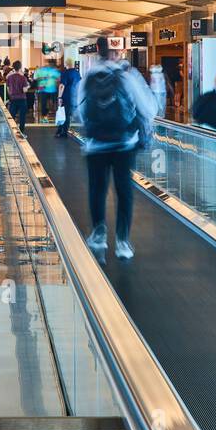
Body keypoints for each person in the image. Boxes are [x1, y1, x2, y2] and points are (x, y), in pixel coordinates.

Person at [78, 38, 157, 263]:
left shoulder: (88, 77)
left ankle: (99, 233)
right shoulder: (127, 75)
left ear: (98, 52)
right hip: (124, 143)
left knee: (97, 189)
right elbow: (149, 109)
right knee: (124, 191)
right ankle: (122, 241)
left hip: (95, 144)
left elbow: (80, 109)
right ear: (117, 53)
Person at [57, 59, 82, 138]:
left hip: (66, 96)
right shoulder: (77, 73)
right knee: (68, 114)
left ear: (66, 64)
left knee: (65, 115)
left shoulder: (65, 73)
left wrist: (59, 97)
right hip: (75, 96)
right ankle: (61, 130)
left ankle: (63, 132)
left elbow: (62, 86)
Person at [5, 60, 30, 132]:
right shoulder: (23, 78)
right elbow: (24, 90)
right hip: (22, 99)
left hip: (13, 99)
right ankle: (21, 132)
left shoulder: (9, 78)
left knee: (12, 117)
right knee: (22, 117)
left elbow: (8, 88)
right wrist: (28, 86)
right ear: (20, 68)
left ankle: (11, 132)